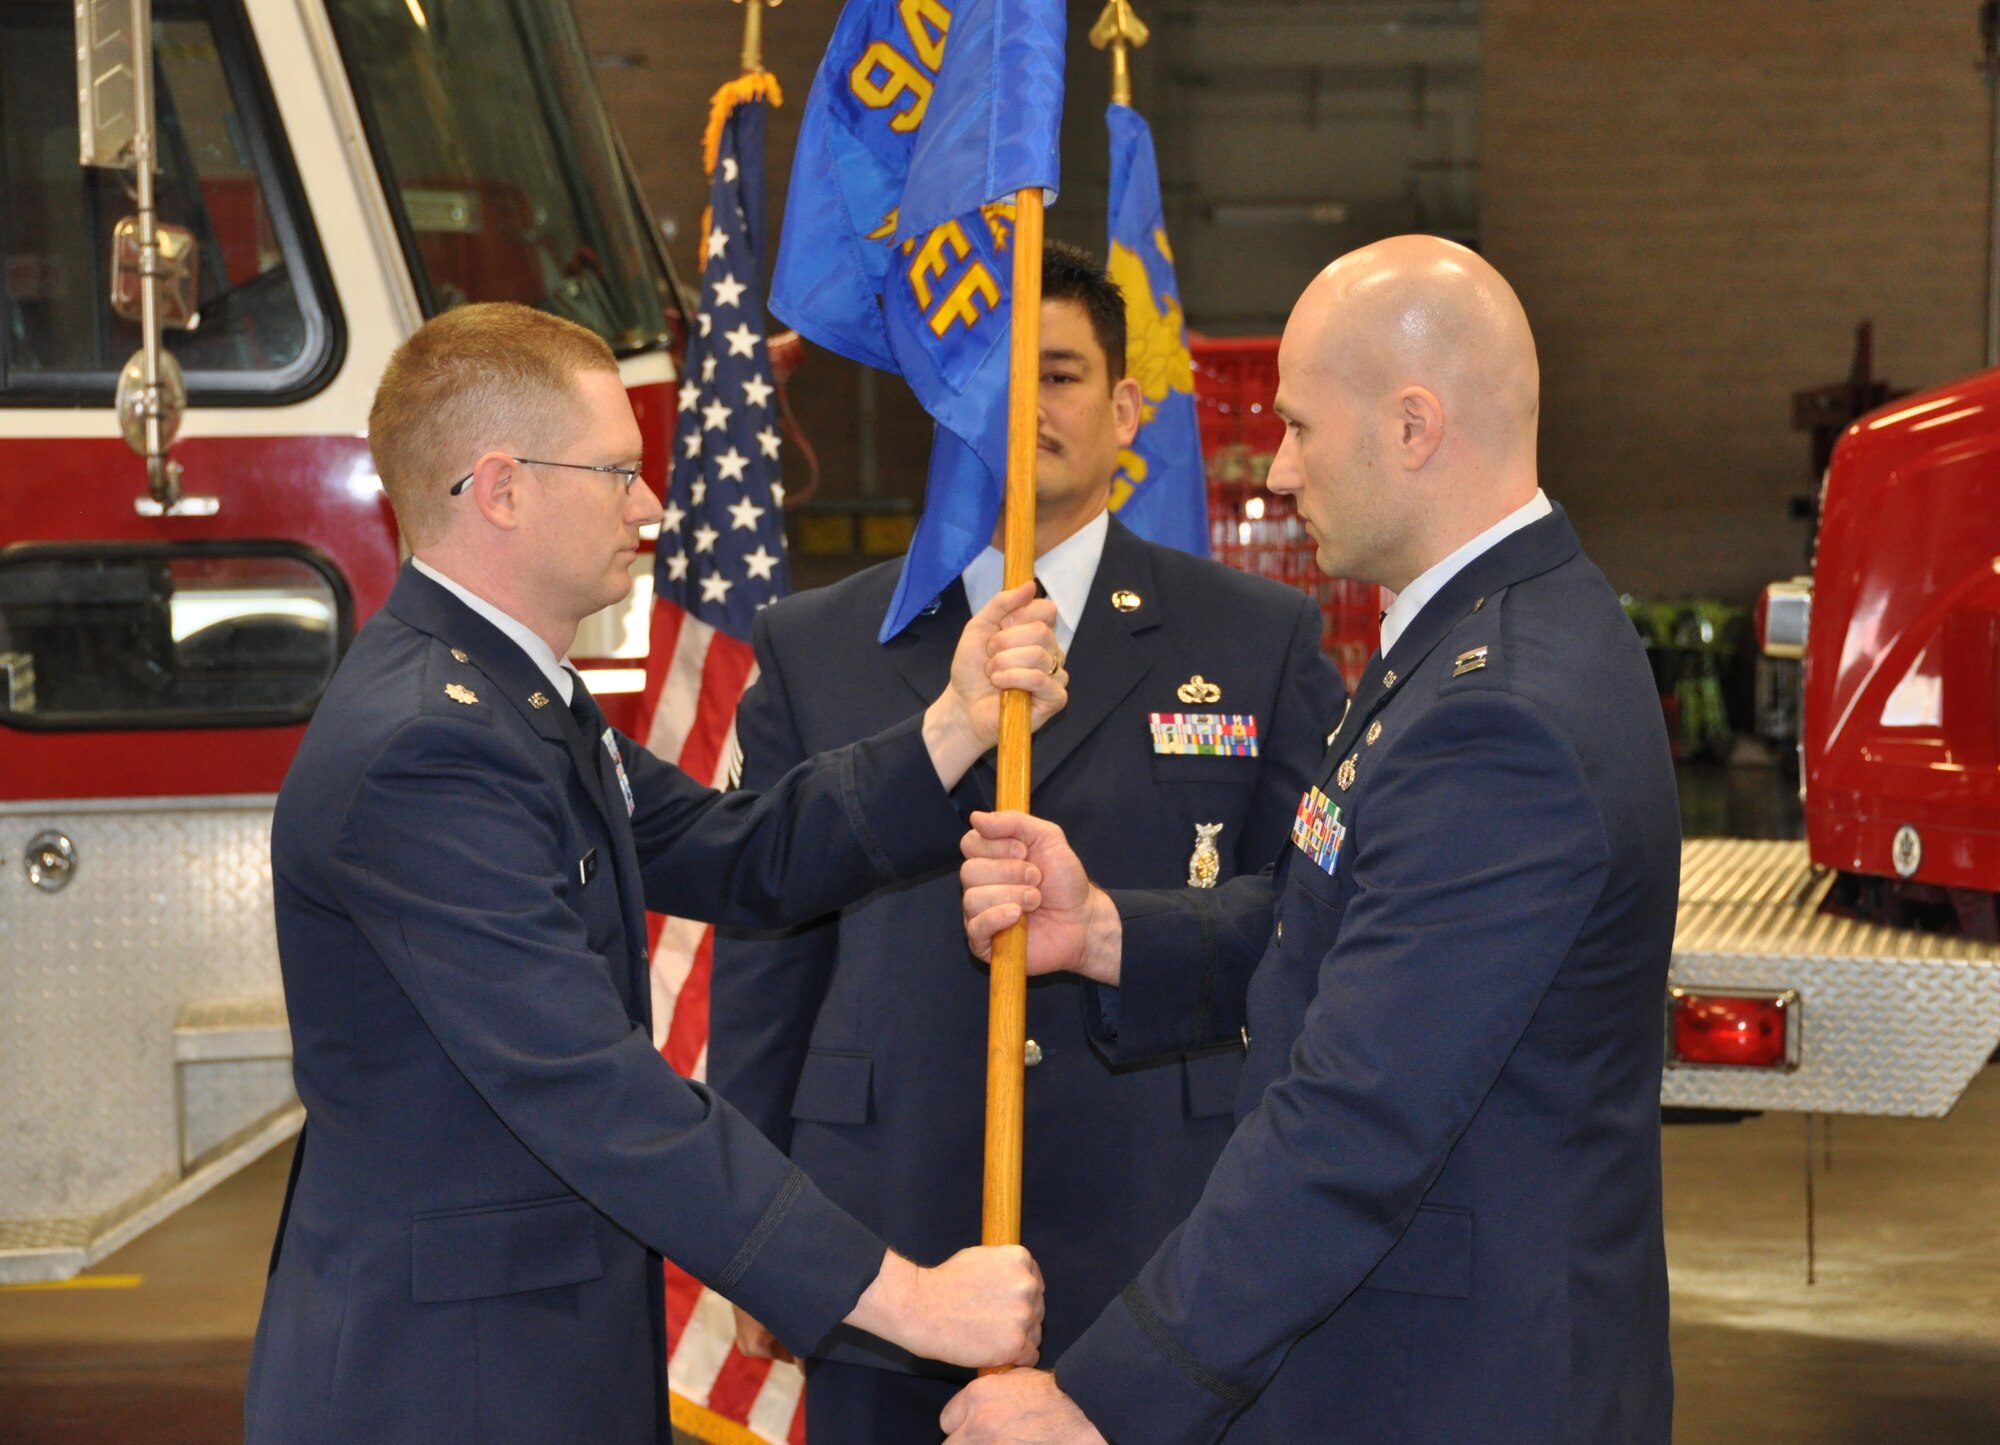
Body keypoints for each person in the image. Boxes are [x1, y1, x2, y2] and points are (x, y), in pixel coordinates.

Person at [245, 302, 1065, 1445]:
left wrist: (952, 726)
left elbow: (742, 849)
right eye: (618, 471)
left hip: (526, 1347)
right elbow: (589, 1082)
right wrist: (901, 1295)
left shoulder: (514, 700)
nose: (650, 506)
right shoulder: (427, 744)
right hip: (450, 1378)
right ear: (501, 488)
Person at [948, 236, 1682, 1444]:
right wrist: (1113, 932)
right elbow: (1337, 922)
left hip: (1448, 1390)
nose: (1278, 469)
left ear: (1411, 426)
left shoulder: (1497, 712)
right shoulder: (1473, 637)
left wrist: (1095, 1402)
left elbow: (1353, 1123)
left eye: (1297, 427)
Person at [710, 243, 1344, 1442]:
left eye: (1057, 374)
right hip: (881, 1227)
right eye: (989, 377)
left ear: (1124, 409)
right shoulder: (814, 644)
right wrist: (756, 1234)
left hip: (1160, 1231)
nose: (1024, 407)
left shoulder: (1252, 638)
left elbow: (1309, 920)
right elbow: (763, 958)